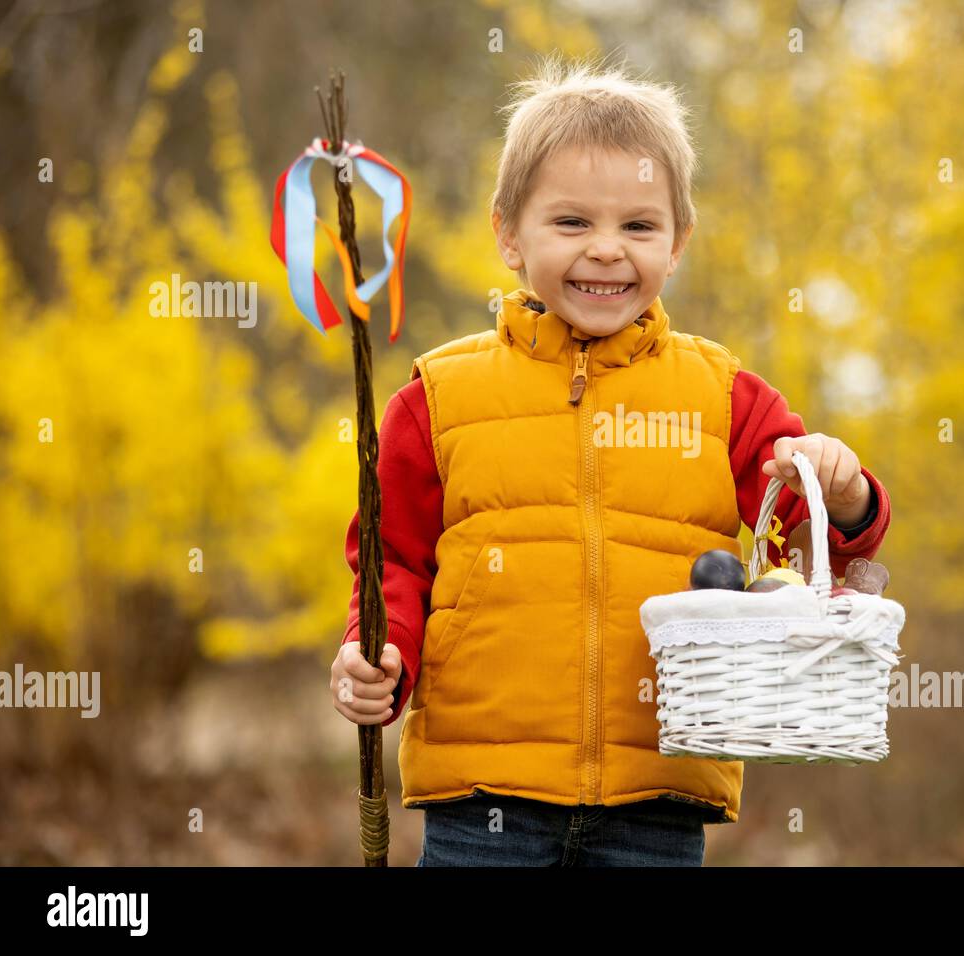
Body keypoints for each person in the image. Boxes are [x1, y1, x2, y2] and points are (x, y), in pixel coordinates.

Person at [329, 54, 892, 866]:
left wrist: (845, 498)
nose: (606, 250)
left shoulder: (724, 396)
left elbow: (807, 555)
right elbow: (394, 564)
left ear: (678, 243)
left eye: (637, 226)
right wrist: (379, 654)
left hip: (658, 801)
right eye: (570, 223)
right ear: (507, 236)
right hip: (484, 801)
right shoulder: (439, 397)